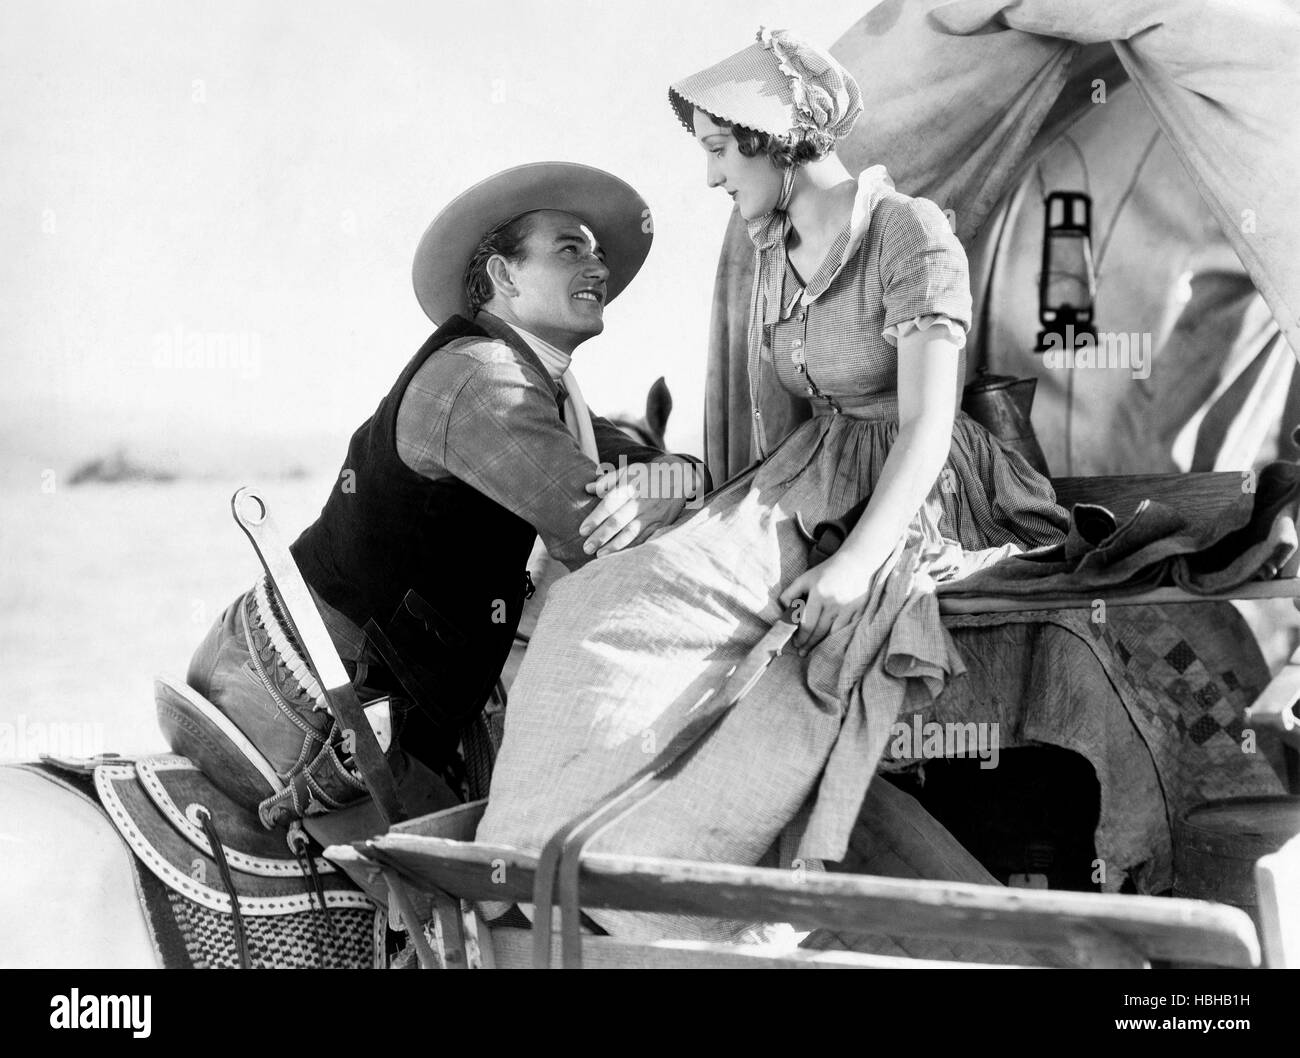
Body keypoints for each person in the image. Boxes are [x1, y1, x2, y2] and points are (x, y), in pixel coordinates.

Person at [475, 29, 1282, 945]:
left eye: (715, 149)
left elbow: (931, 423)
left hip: (923, 481)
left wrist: (859, 564)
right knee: (600, 602)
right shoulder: (775, 251)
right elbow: (774, 430)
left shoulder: (910, 232)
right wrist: (704, 511)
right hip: (809, 478)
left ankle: (648, 882)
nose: (708, 178)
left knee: (754, 648)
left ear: (772, 136)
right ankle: (537, 861)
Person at [173, 162, 708, 827]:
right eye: (570, 249)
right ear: (504, 276)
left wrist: (678, 476)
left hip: (344, 681)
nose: (597, 267)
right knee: (481, 907)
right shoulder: (484, 379)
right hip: (310, 701)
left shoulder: (546, 389)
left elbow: (647, 467)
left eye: (599, 254)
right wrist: (668, 491)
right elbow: (601, 536)